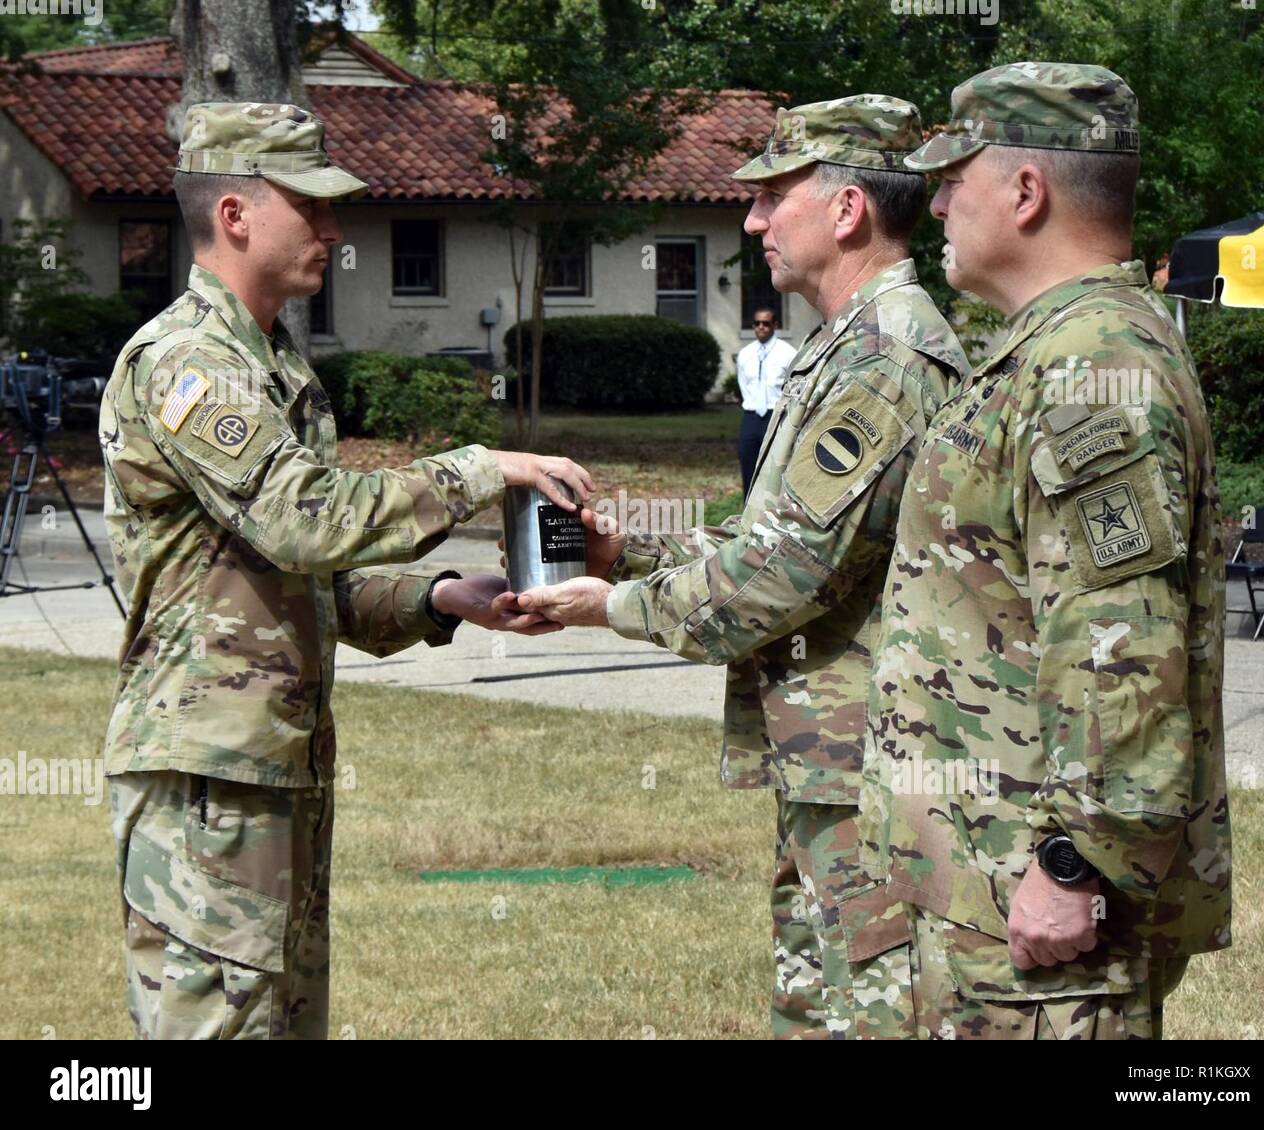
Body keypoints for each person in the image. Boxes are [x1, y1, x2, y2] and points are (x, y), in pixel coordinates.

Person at [100, 102, 592, 1039]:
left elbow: (313, 582)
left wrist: (445, 598)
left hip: (272, 770)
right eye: (311, 206)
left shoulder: (276, 363)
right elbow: (304, 520)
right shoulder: (189, 364)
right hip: (210, 776)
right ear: (236, 215)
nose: (334, 229)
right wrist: (481, 469)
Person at [518, 94, 969, 1038]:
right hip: (831, 768)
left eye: (773, 195)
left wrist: (616, 605)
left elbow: (779, 573)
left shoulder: (885, 357)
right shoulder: (842, 350)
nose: (754, 219)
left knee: (868, 1020)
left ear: (846, 210)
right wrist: (626, 552)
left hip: (868, 775)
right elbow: (771, 536)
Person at [869, 62, 1230, 1039]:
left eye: (955, 176)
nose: (935, 201)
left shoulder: (1094, 362)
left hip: (1042, 918)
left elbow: (1119, 638)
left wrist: (1075, 864)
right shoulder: (1055, 347)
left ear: (1025, 193)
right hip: (991, 891)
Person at [736, 306, 796, 496]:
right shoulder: (745, 354)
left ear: (775, 325)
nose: (761, 327)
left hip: (775, 415)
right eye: (757, 323)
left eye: (766, 323)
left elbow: (792, 385)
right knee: (747, 459)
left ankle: (773, 510)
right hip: (751, 416)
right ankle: (747, 508)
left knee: (776, 465)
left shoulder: (788, 353)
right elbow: (743, 384)